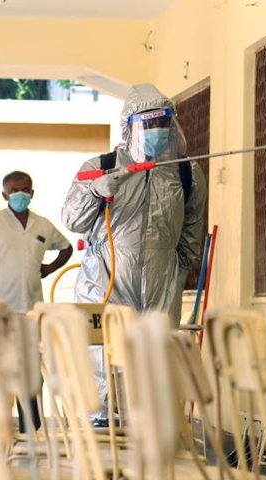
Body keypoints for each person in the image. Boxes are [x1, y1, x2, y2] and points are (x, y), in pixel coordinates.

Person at [62, 83, 207, 424]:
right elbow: (72, 219)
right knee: (101, 366)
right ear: (129, 127)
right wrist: (94, 191)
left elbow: (191, 232)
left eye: (163, 123)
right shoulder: (101, 165)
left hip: (160, 286)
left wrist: (173, 271)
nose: (156, 132)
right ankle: (99, 445)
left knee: (154, 371)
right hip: (106, 285)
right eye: (148, 124)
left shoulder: (186, 173)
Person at [0, 170, 73, 433]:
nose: (20, 194)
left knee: (31, 370)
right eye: (14, 190)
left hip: (31, 310)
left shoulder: (42, 225)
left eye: (25, 190)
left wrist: (48, 268)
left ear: (32, 192)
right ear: (4, 194)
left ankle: (30, 426)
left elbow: (66, 248)